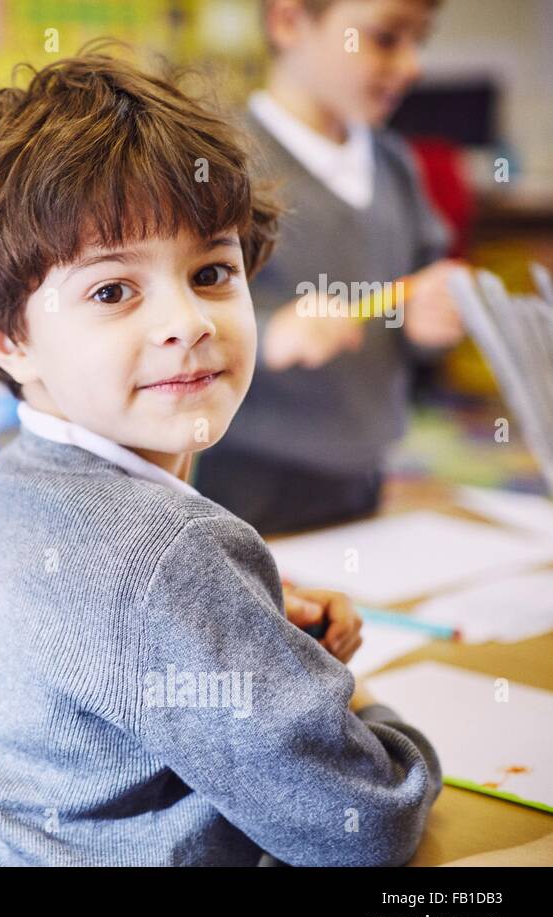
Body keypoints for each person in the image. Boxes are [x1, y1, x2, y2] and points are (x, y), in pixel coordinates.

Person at [0, 45, 442, 866]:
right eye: (114, 291)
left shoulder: (24, 478)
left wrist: (258, 650)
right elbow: (365, 824)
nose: (188, 322)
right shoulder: (161, 553)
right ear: (8, 340)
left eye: (213, 270)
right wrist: (349, 710)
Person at [193, 0, 466, 534]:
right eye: (386, 39)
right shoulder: (219, 163)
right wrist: (272, 333)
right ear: (289, 21)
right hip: (244, 483)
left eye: (420, 41)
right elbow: (178, 314)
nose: (412, 66)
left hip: (365, 472)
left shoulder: (395, 165)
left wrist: (430, 322)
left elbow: (419, 303)